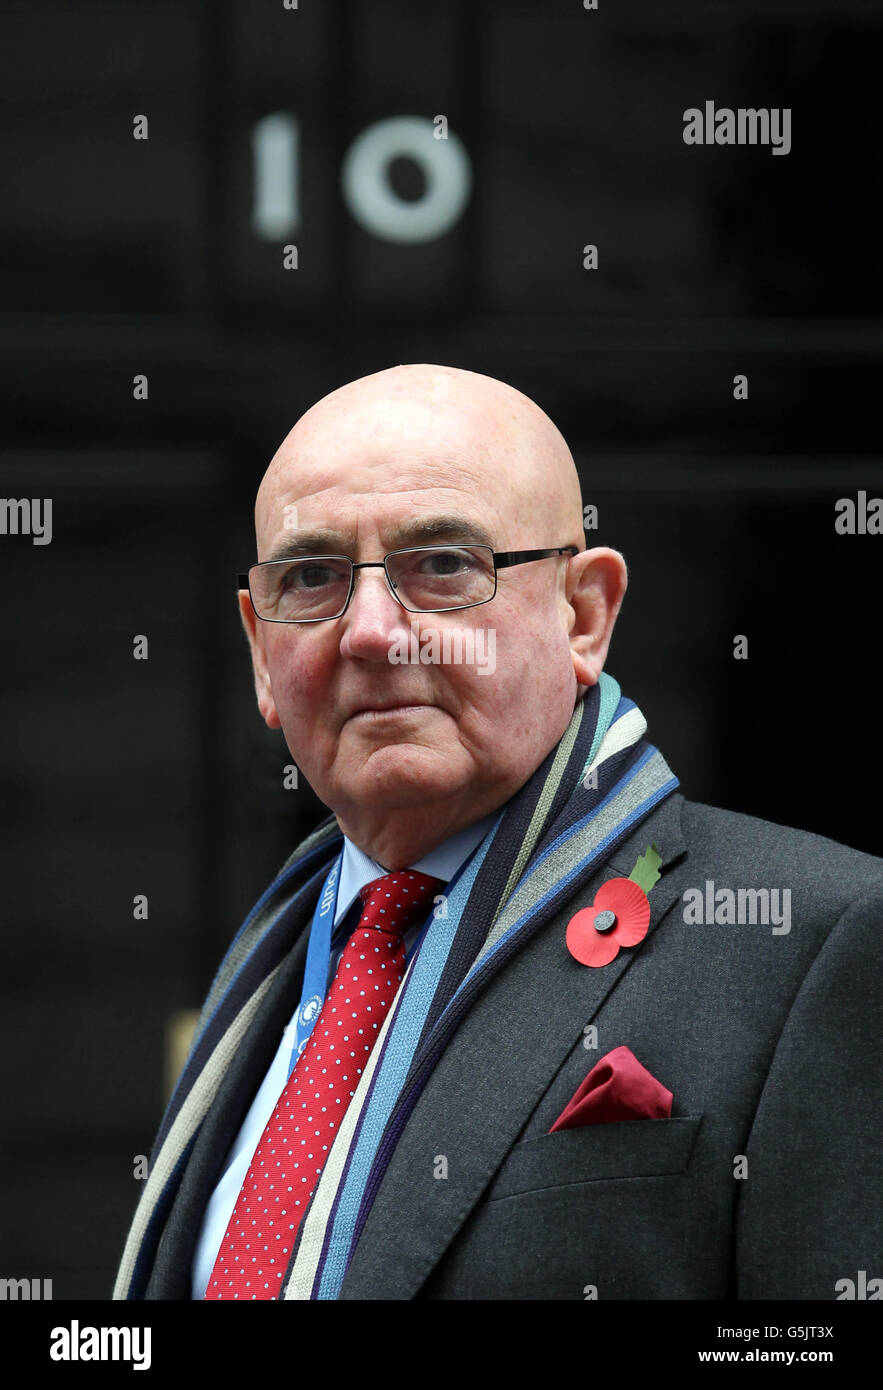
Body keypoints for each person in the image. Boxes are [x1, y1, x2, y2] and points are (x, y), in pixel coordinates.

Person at [114, 364, 883, 1301]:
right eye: (311, 577)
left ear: (584, 614)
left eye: (442, 565)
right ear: (260, 656)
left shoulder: (818, 941)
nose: (368, 631)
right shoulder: (278, 969)